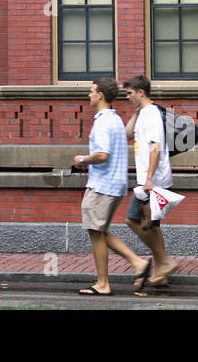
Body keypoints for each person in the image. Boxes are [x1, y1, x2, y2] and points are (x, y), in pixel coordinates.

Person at [73, 77, 146, 295]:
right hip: (114, 184)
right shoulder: (114, 120)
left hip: (102, 186)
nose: (89, 94)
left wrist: (82, 159)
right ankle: (136, 264)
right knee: (99, 231)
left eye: (91, 91)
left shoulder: (104, 122)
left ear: (100, 95)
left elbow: (103, 155)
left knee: (96, 232)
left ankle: (104, 283)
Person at [124, 73, 179, 293]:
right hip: (148, 180)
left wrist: (148, 179)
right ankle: (161, 273)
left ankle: (165, 262)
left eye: (129, 93)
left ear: (141, 92)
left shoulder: (152, 114)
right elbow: (127, 133)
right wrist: (136, 112)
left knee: (132, 220)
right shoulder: (143, 113)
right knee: (153, 227)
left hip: (152, 181)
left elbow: (155, 146)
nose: (127, 97)